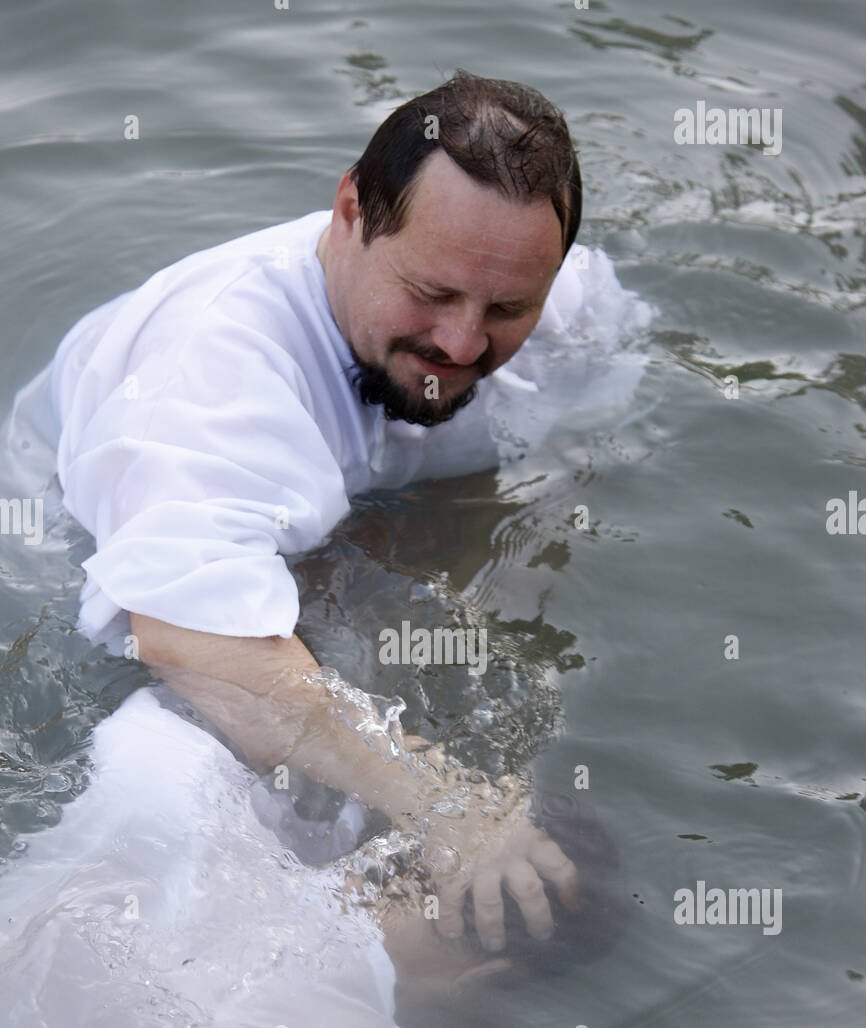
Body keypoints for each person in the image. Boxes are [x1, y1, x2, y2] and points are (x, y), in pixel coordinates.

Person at [22, 69, 650, 978]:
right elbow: (190, 642)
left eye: (509, 307)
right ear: (351, 211)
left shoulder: (574, 310)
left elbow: (609, 445)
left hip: (359, 527)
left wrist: (501, 561)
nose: (464, 343)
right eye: (431, 292)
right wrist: (448, 803)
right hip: (94, 566)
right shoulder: (211, 374)